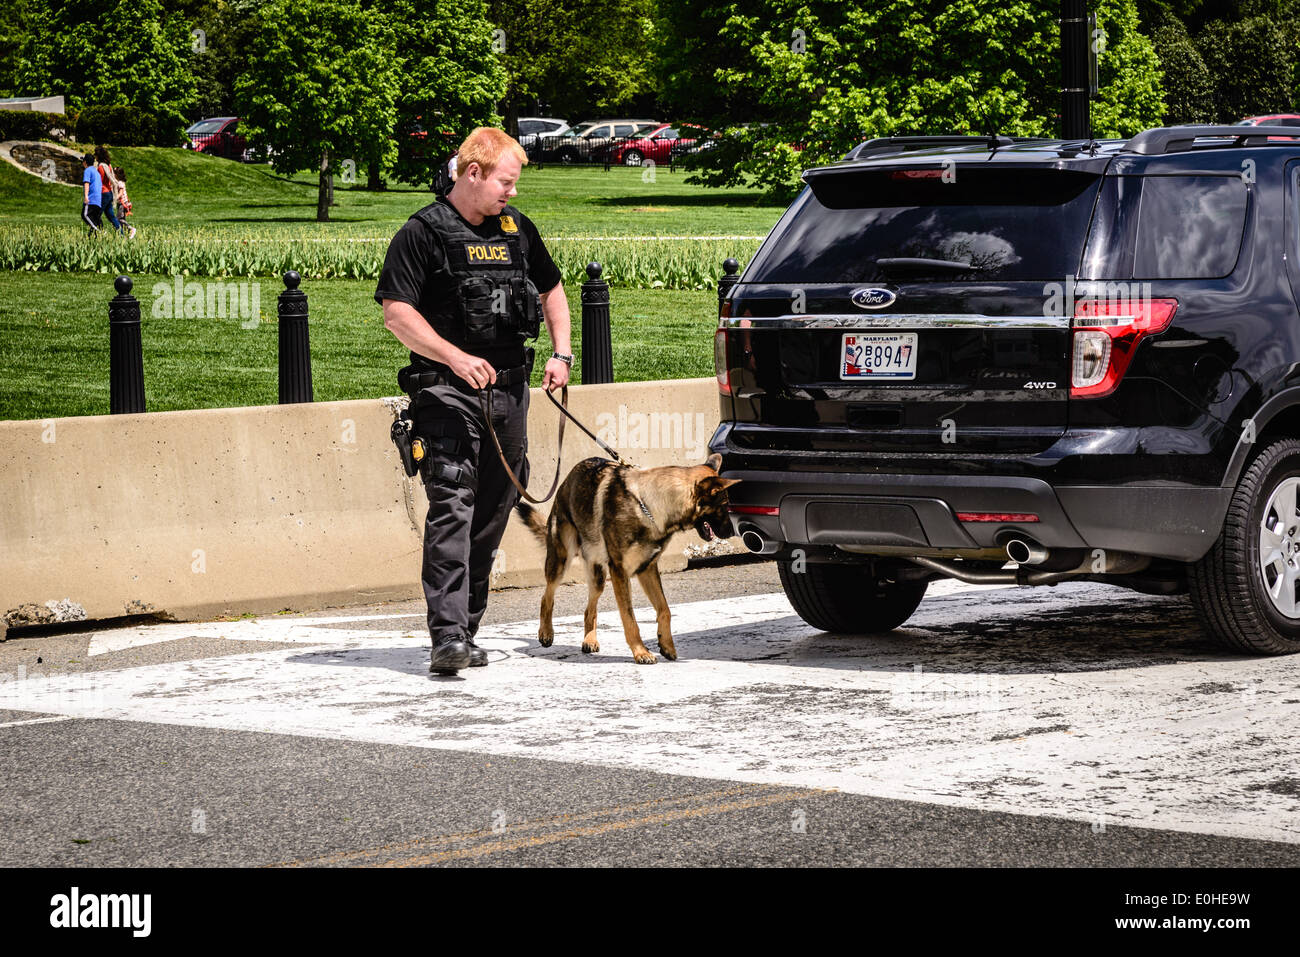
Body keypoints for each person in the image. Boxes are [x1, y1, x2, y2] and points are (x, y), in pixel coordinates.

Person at [375, 127, 572, 674]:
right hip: (446, 390)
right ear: (473, 173)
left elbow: (551, 288)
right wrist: (455, 357)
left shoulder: (517, 231)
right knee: (453, 505)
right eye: (506, 182)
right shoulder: (423, 233)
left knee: (492, 510)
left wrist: (563, 353)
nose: (513, 192)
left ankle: (469, 625)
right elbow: (397, 313)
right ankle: (448, 636)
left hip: (509, 390)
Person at [94, 145, 124, 236]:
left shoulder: (100, 167)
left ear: (98, 156)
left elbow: (100, 181)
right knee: (111, 216)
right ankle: (121, 235)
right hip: (109, 193)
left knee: (95, 216)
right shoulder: (108, 166)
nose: (95, 156)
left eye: (96, 154)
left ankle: (99, 234)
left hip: (103, 194)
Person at [80, 154, 102, 237]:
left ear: (85, 162)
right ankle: (93, 237)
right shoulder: (97, 172)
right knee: (95, 219)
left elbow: (86, 183)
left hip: (91, 199)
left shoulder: (87, 170)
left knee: (85, 215)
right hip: (98, 200)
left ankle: (100, 232)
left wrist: (86, 196)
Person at [113, 165, 137, 238]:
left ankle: (131, 229)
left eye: (114, 173)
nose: (113, 174)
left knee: (119, 219)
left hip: (122, 204)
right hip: (120, 203)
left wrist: (114, 198)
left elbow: (120, 193)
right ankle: (124, 234)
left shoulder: (120, 183)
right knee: (121, 219)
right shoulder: (119, 182)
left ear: (117, 174)